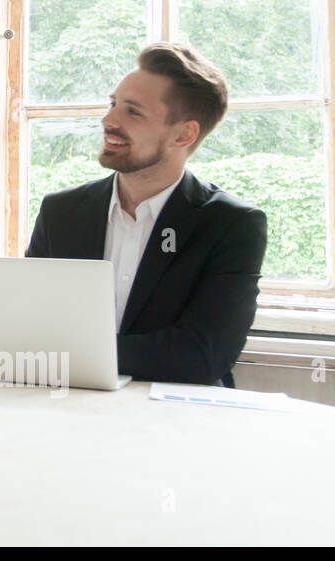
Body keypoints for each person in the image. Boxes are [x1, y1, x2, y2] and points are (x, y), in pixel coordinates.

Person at [25, 43, 267, 386]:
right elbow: (28, 325)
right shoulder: (60, 212)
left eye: (133, 112)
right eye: (113, 104)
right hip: (67, 405)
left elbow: (203, 355)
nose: (108, 120)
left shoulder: (231, 224)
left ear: (184, 133)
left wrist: (68, 352)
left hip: (176, 419)